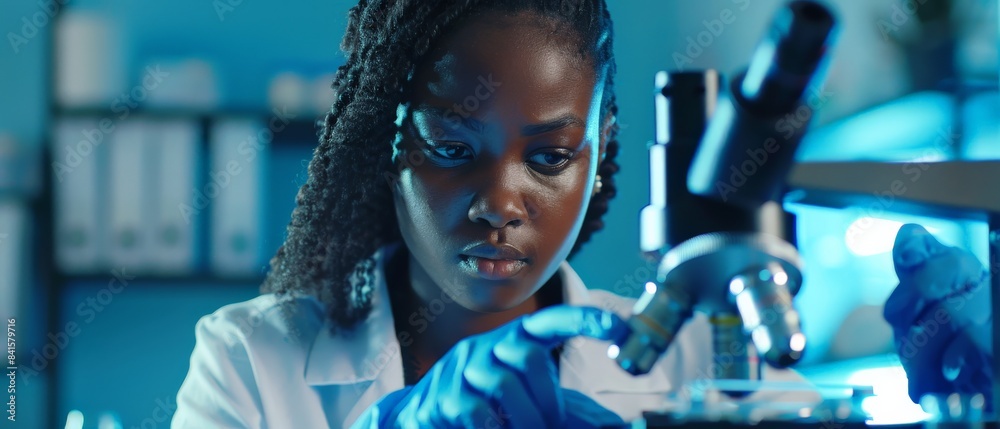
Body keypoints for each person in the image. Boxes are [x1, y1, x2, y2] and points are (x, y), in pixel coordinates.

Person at [170, 0, 994, 427]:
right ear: (387, 145)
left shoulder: (698, 355)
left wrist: (972, 400)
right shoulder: (252, 360)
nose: (500, 203)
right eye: (452, 148)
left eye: (549, 157)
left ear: (599, 154)